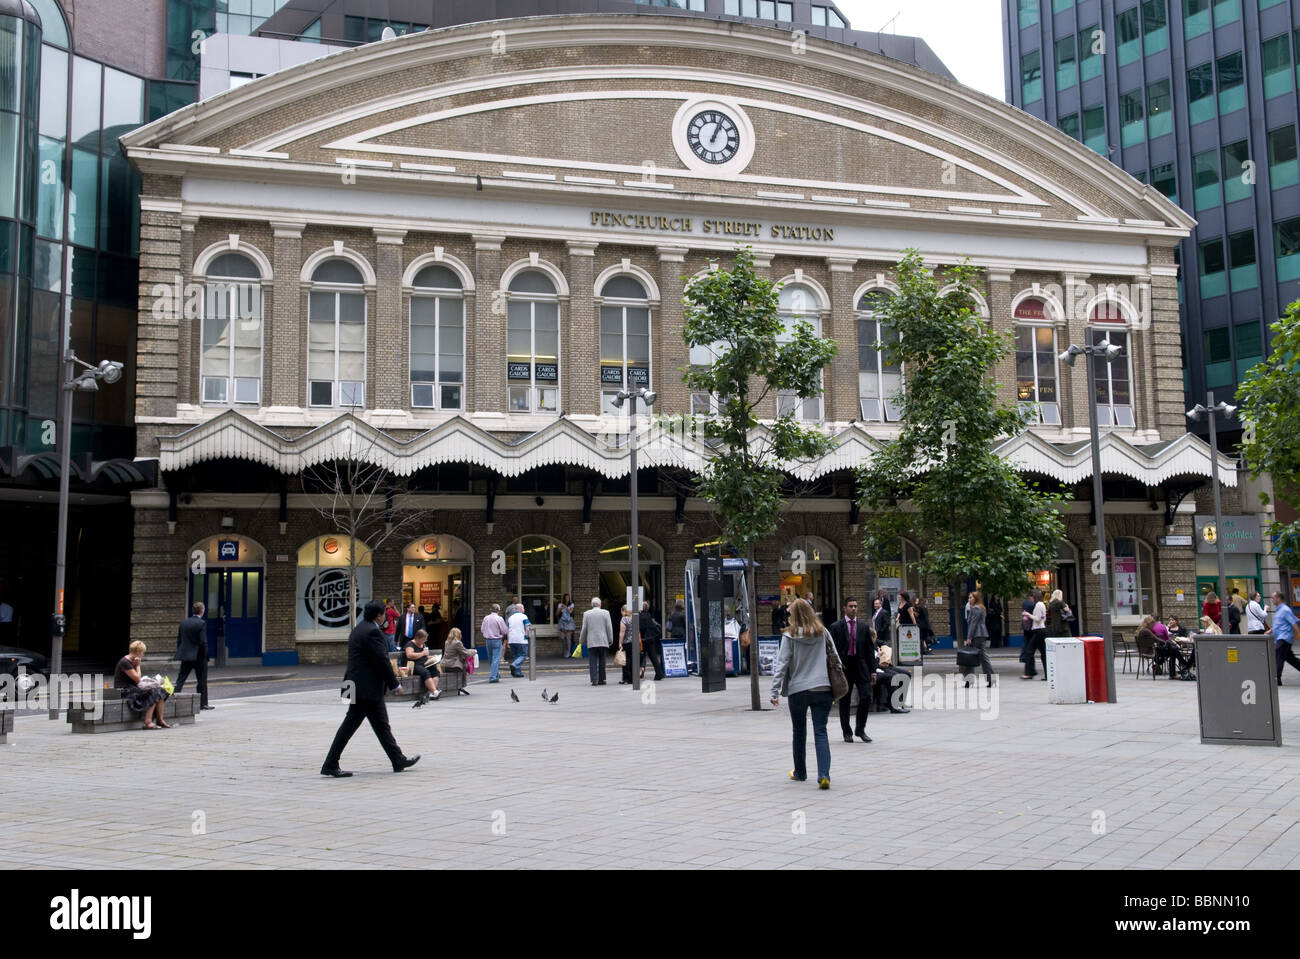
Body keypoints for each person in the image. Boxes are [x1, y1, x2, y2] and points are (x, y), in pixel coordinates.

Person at [321, 600, 419, 777]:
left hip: (355, 685)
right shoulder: (373, 632)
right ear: (378, 615)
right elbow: (381, 661)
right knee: (351, 726)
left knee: (381, 725)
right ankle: (330, 763)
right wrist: (395, 684)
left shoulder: (358, 629)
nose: (385, 618)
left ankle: (398, 759)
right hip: (365, 688)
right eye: (383, 614)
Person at [770, 598, 842, 789]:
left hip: (798, 690)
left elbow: (782, 664)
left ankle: (800, 772)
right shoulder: (822, 632)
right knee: (820, 731)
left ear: (793, 614)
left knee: (799, 731)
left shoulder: (789, 636)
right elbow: (835, 657)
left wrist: (774, 690)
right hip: (822, 688)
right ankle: (824, 775)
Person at [827, 597, 874, 744]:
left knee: (865, 696)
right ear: (844, 608)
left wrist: (873, 671)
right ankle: (846, 732)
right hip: (844, 666)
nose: (854, 608)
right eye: (851, 606)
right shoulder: (836, 627)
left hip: (860, 665)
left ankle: (860, 729)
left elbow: (869, 650)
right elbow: (830, 650)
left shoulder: (863, 627)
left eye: (855, 606)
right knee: (845, 700)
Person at [115, 640, 171, 730]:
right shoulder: (125, 662)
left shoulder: (132, 661)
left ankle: (160, 719)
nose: (142, 655)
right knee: (154, 692)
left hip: (133, 687)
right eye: (142, 652)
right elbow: (137, 679)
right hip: (125, 690)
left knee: (161, 690)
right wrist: (138, 665)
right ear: (138, 652)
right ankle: (147, 722)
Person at [174, 601, 214, 711]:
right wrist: (205, 656)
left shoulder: (183, 623)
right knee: (201, 681)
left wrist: (181, 652)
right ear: (202, 611)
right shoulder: (201, 623)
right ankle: (203, 704)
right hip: (198, 657)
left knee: (180, 679)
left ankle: (172, 699)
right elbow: (203, 642)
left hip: (186, 655)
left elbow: (179, 640)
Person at [961, 591, 995, 687]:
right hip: (981, 634)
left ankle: (969, 681)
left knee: (970, 657)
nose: (969, 599)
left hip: (976, 635)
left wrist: (969, 637)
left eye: (971, 598)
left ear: (976, 599)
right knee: (983, 658)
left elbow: (973, 624)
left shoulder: (976, 609)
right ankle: (991, 678)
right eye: (969, 598)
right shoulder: (981, 608)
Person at [579, 597, 614, 685]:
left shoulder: (586, 614)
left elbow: (584, 629)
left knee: (592, 661)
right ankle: (601, 679)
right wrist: (610, 639)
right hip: (603, 640)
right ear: (600, 604)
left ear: (592, 605)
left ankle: (594, 679)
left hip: (592, 640)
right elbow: (609, 628)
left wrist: (581, 640)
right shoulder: (606, 613)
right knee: (602, 660)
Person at [402, 628, 442, 704]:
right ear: (417, 638)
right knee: (425, 672)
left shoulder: (423, 644)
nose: (425, 641)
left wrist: (433, 657)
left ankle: (431, 693)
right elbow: (409, 655)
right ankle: (434, 691)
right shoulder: (410, 644)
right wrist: (422, 653)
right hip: (414, 665)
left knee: (435, 671)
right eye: (423, 639)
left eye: (425, 639)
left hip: (424, 663)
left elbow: (425, 656)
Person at [873, 639, 912, 712]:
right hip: (877, 666)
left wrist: (884, 651)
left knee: (906, 674)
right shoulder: (865, 643)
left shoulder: (874, 639)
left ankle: (901, 702)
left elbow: (882, 642)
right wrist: (878, 659)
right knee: (895, 676)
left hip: (884, 664)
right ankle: (894, 704)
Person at [1272, 591, 1300, 686]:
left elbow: (1294, 623)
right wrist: (1270, 630)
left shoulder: (1285, 610)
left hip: (1284, 638)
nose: (1272, 600)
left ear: (1278, 598)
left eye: (1273, 598)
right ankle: (1277, 678)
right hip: (1281, 637)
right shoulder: (1279, 610)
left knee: (1278, 658)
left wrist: (1298, 635)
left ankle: (1277, 679)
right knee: (1291, 659)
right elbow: (1280, 624)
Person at [1021, 589, 1048, 680]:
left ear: (1034, 597)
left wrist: (1028, 614)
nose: (1030, 600)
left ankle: (1029, 673)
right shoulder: (1042, 604)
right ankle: (1047, 675)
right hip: (1041, 630)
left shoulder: (1038, 605)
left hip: (1038, 630)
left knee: (1029, 651)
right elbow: (1043, 618)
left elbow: (1037, 619)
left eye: (1031, 598)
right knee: (1043, 653)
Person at [439, 626, 472, 696]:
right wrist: (473, 652)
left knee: (462, 664)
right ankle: (461, 685)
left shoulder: (447, 642)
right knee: (464, 666)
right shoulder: (457, 643)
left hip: (444, 665)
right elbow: (466, 653)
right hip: (453, 666)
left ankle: (459, 686)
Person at [480, 603, 508, 683]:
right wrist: (501, 634)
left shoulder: (486, 618)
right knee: (496, 659)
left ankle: (496, 674)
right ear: (498, 610)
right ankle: (493, 677)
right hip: (496, 640)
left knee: (491, 659)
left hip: (488, 640)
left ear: (490, 610)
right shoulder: (499, 619)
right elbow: (504, 630)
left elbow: (482, 629)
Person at [639, 601, 665, 681]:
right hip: (651, 639)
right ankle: (659, 674)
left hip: (643, 640)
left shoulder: (640, 616)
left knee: (639, 656)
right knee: (653, 658)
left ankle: (635, 673)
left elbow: (641, 628)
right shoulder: (649, 615)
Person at [506, 602, 533, 678]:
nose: (524, 609)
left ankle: (518, 673)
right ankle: (514, 665)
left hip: (512, 639)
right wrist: (528, 636)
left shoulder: (510, 618)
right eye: (523, 608)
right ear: (520, 609)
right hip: (521, 639)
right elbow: (527, 628)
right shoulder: (523, 616)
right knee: (523, 655)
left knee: (516, 656)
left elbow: (507, 630)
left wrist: (508, 640)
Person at [618, 605, 635, 684]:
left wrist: (620, 643)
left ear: (624, 611)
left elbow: (622, 632)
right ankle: (632, 678)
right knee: (632, 660)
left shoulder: (624, 619)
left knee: (625, 661)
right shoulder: (634, 618)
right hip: (634, 642)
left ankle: (626, 678)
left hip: (626, 642)